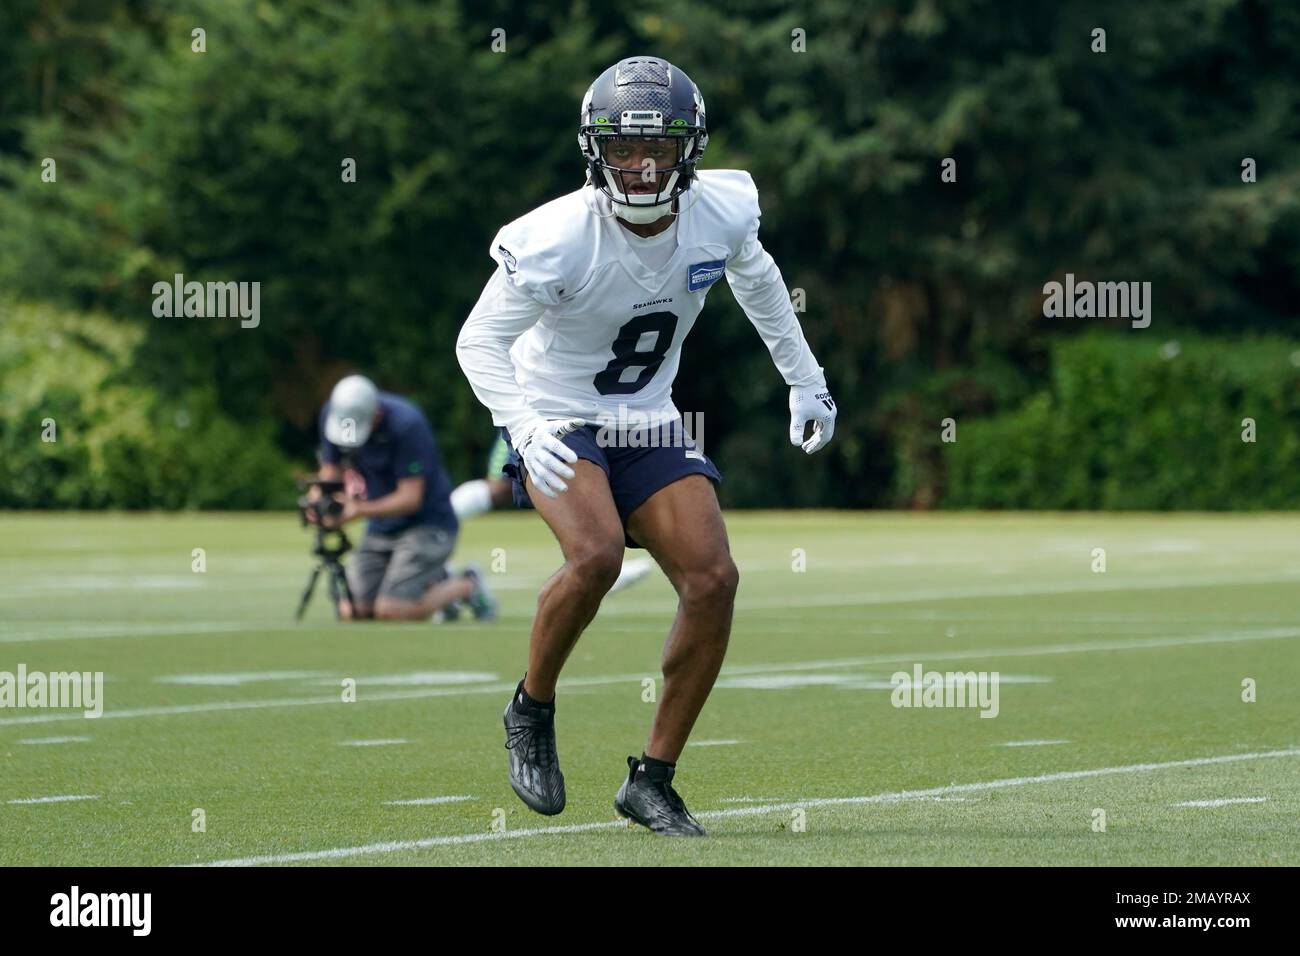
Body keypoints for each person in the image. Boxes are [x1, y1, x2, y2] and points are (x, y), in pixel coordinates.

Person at [456, 56, 836, 835]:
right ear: (595, 149)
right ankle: (531, 708)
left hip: (648, 414)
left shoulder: (721, 208)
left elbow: (758, 281)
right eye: (623, 148)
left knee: (713, 578)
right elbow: (476, 343)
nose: (640, 165)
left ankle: (653, 779)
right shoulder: (558, 237)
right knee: (594, 556)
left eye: (658, 147)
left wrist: (806, 378)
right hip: (556, 411)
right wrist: (522, 427)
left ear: (688, 149)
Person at [314, 374, 496, 622]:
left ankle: (466, 585)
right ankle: (434, 582)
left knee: (392, 610)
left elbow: (411, 498)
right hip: (380, 527)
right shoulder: (334, 414)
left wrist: (359, 510)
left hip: (429, 525)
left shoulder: (406, 424)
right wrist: (319, 502)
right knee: (353, 611)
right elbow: (330, 471)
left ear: (375, 414)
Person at [449, 433, 656, 593]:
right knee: (503, 486)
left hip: (572, 413)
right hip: (534, 416)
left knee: (590, 482)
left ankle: (602, 566)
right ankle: (434, 523)